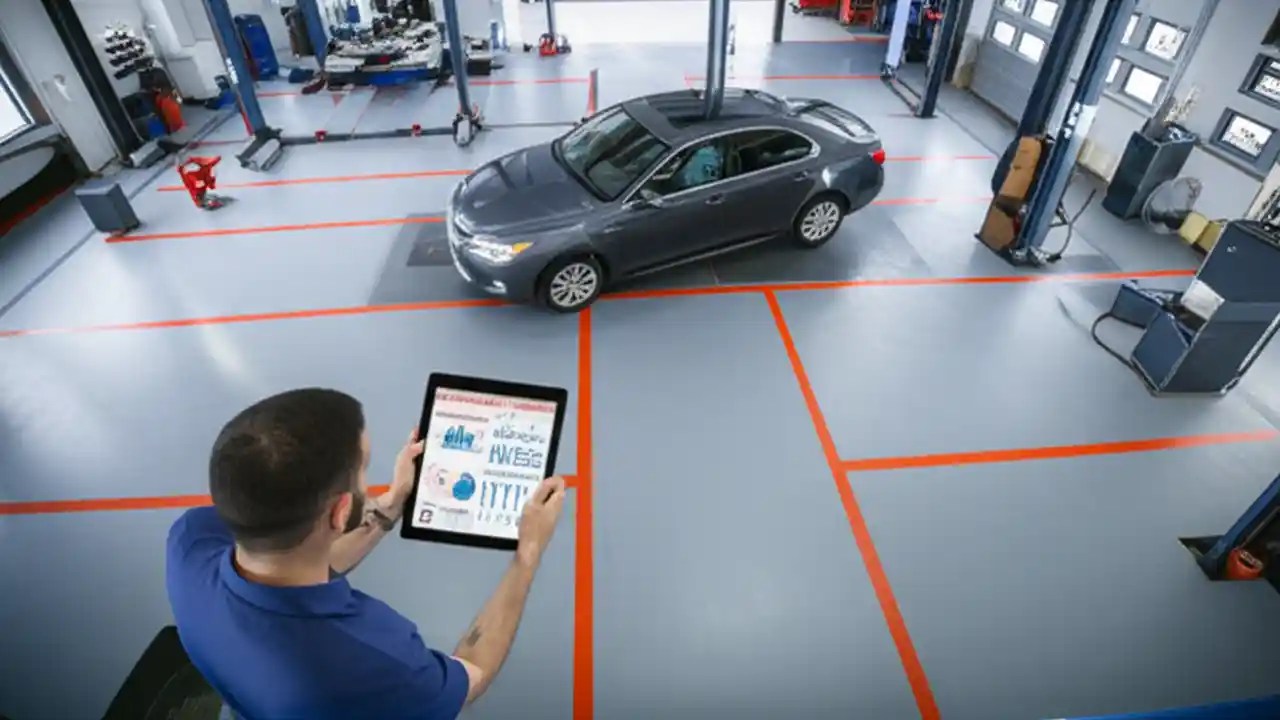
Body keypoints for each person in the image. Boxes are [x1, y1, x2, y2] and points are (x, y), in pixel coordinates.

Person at [165, 388, 565, 720]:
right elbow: (472, 677)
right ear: (341, 512)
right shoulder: (369, 661)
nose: (366, 479)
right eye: (364, 468)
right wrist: (527, 555)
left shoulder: (189, 541)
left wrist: (391, 504)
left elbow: (296, 556)